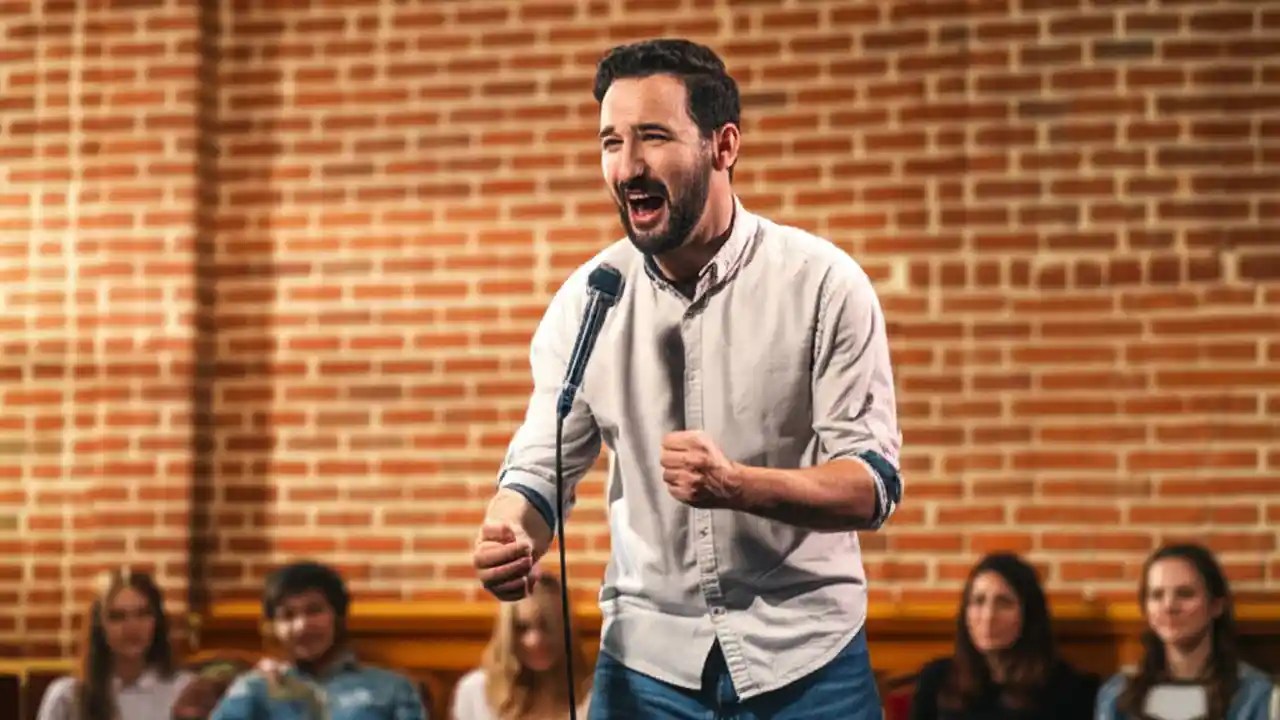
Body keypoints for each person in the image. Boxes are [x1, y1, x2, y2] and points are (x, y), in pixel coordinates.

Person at [471, 38, 903, 719]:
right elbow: (537, 470)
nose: (628, 166)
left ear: (722, 145)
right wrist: (510, 530)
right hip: (646, 658)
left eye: (653, 137)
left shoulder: (823, 284)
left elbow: (871, 484)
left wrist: (738, 486)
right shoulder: (588, 300)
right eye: (611, 142)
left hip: (806, 657)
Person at [210, 560, 427, 720]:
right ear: (273, 627)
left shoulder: (390, 689)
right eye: (288, 616)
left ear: (338, 616)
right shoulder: (255, 689)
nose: (302, 626)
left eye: (314, 611)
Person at [1095, 543, 1279, 719]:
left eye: (1185, 593)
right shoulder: (1117, 694)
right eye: (1157, 595)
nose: (1169, 606)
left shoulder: (1256, 695)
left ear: (1216, 605)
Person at [910, 553, 1097, 720]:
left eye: (1004, 603)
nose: (988, 616)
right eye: (978, 601)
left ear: (1028, 613)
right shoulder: (937, 679)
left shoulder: (1069, 689)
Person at [37, 568, 193, 720]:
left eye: (143, 614)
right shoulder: (68, 696)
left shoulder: (183, 690)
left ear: (157, 621)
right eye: (117, 617)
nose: (132, 627)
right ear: (99, 626)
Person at [449, 574, 592, 719]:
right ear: (507, 632)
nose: (535, 640)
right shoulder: (475, 691)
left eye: (547, 626)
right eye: (522, 628)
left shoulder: (592, 693)